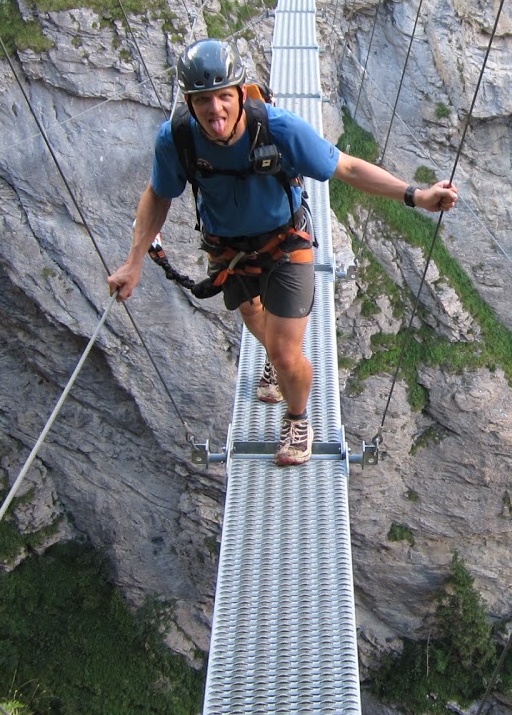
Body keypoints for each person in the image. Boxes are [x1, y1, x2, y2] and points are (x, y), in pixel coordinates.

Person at [108, 39, 458, 466]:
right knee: (253, 314)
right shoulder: (177, 139)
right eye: (202, 100)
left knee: (284, 352)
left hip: (285, 243)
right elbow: (158, 194)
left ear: (241, 93)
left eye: (223, 96)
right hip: (230, 252)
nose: (215, 110)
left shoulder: (279, 129)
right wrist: (133, 262)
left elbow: (346, 167)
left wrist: (416, 196)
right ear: (189, 103)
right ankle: (275, 363)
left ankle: (297, 418)